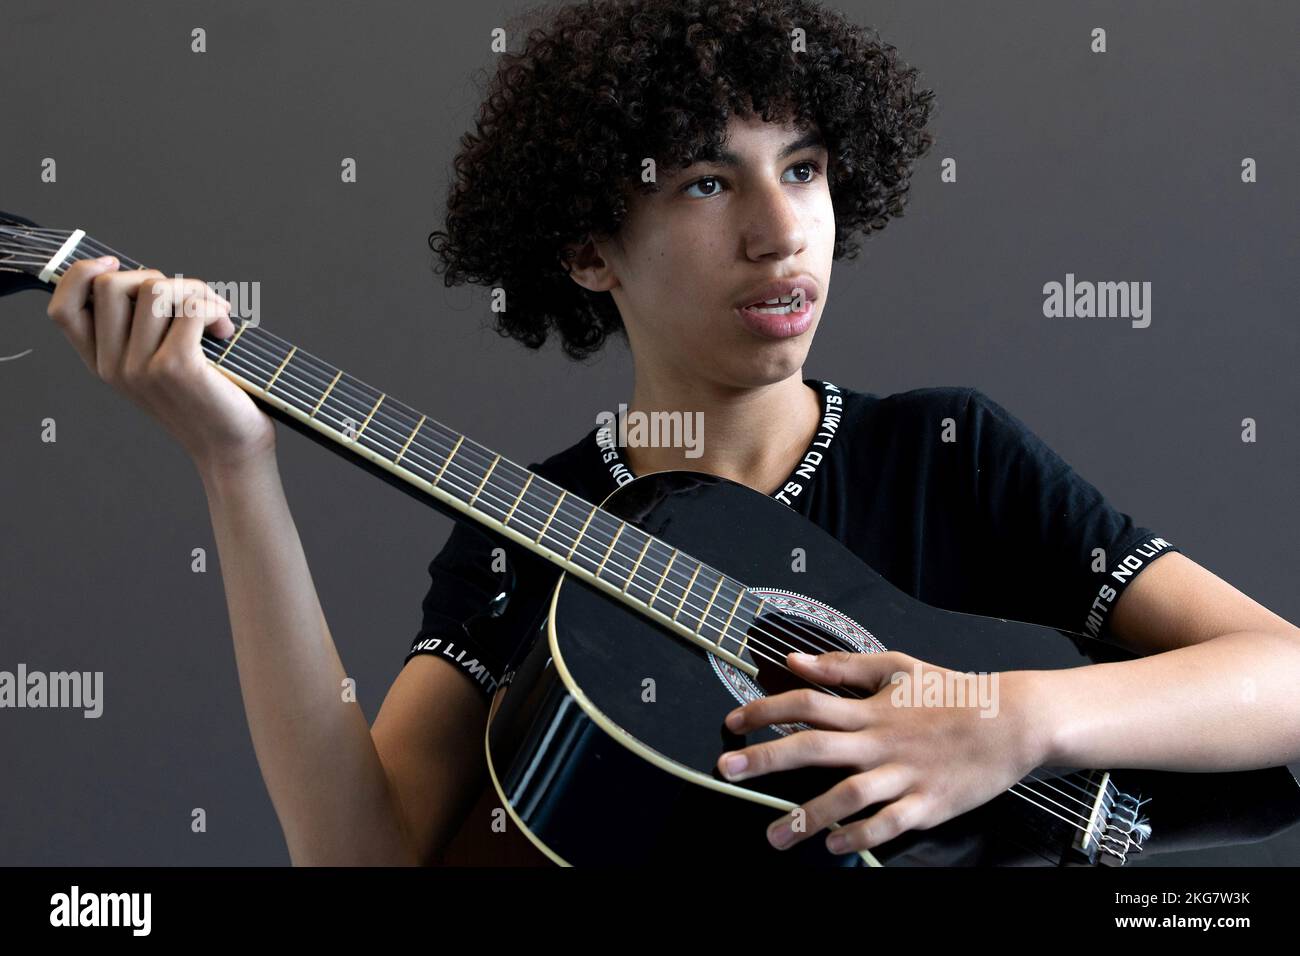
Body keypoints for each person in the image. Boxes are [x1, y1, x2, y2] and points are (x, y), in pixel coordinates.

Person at [44, 0, 1300, 867]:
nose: (779, 230)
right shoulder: (521, 522)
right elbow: (361, 847)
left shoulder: (947, 454)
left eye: (800, 168)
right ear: (590, 249)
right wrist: (234, 461)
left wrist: (1008, 717)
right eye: (707, 182)